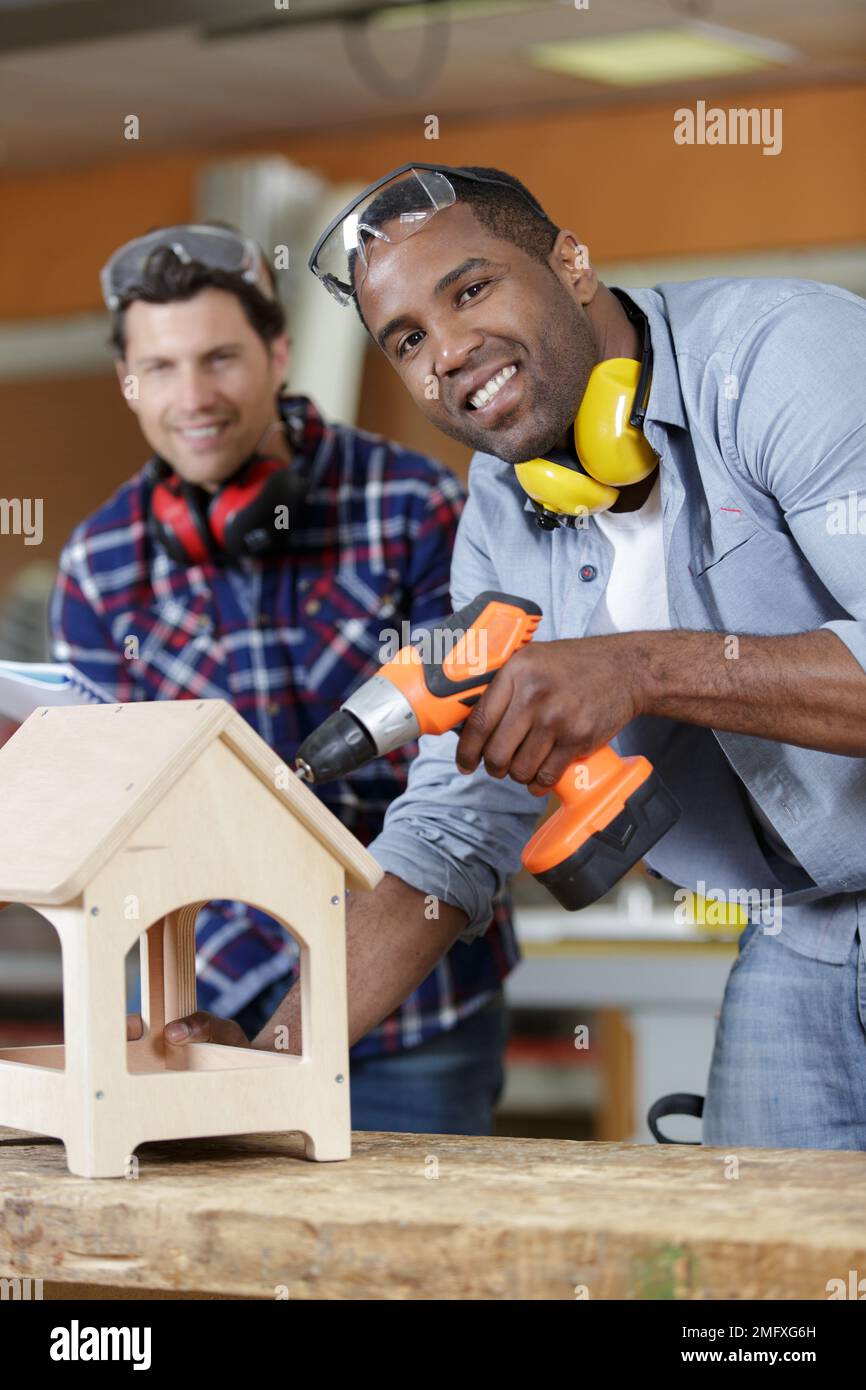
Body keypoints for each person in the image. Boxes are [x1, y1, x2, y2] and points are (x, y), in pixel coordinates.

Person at [163, 166, 866, 1152]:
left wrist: (636, 668)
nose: (447, 351)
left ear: (569, 262)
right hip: (795, 930)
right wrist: (264, 1066)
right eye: (405, 338)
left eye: (471, 287)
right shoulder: (501, 512)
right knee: (763, 1282)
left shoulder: (780, 361)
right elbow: (452, 833)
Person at [49, 221, 517, 1136]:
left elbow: (477, 760)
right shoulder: (99, 564)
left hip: (417, 1017)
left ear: (278, 351)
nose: (194, 396)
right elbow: (112, 824)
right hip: (206, 1012)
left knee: (413, 1273)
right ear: (127, 382)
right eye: (162, 367)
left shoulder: (415, 505)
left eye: (220, 358)